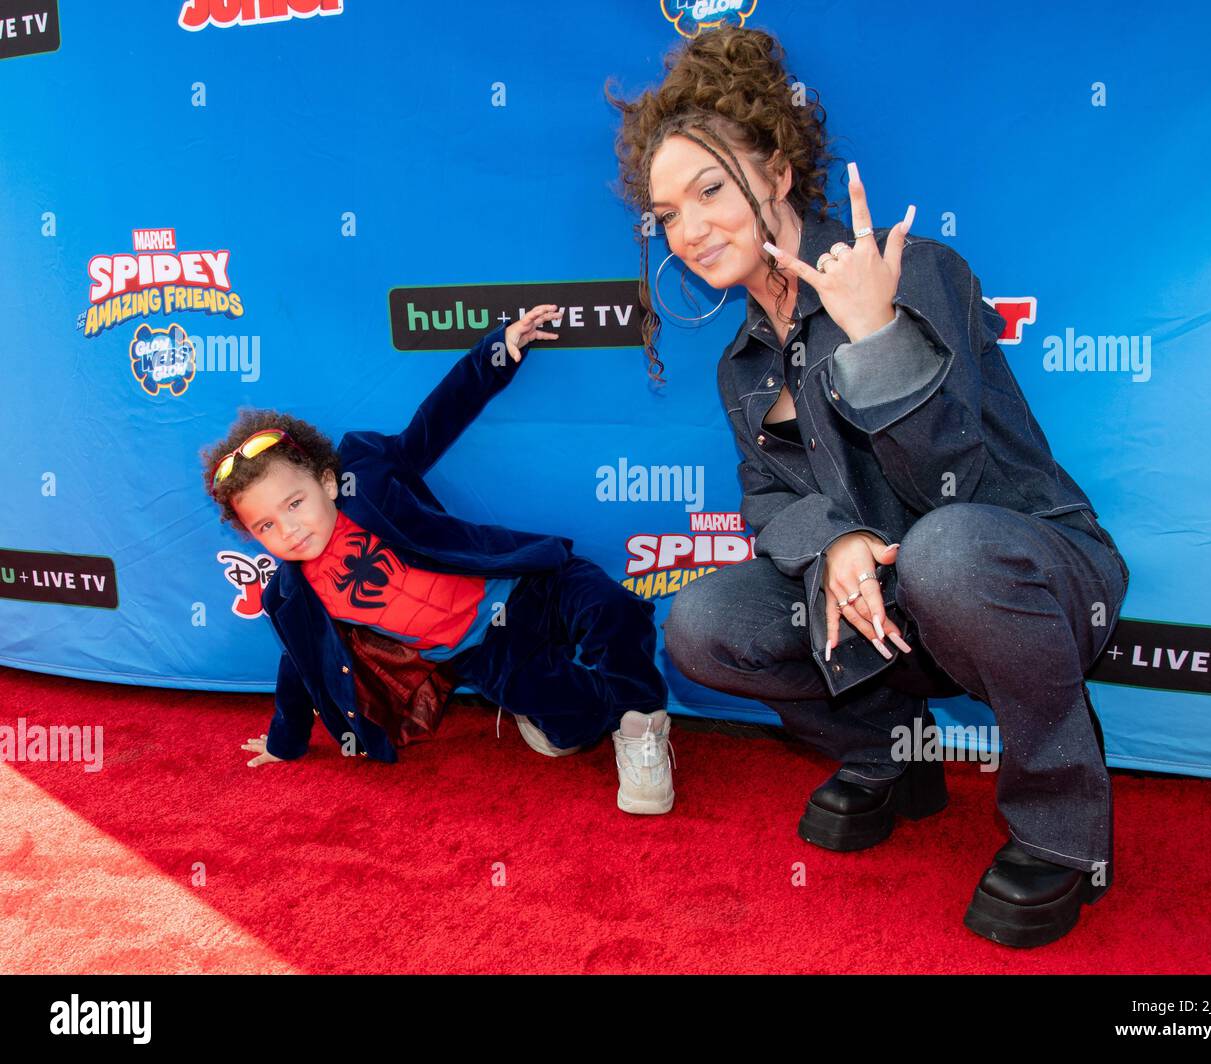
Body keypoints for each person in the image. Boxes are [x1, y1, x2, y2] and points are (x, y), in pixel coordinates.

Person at [606, 26, 1130, 943]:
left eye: (711, 190)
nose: (688, 231)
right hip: (897, 597)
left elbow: (960, 483)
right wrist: (835, 543)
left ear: (773, 171)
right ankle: (892, 755)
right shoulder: (740, 364)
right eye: (666, 213)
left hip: (1027, 570)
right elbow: (766, 502)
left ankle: (1061, 830)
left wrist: (877, 338)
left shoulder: (908, 269)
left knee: (950, 550)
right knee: (703, 625)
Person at [200, 305, 675, 815]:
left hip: (523, 582)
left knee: (613, 608)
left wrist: (497, 353)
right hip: (483, 651)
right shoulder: (294, 595)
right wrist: (284, 739)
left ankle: (642, 723)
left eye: (294, 504)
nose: (288, 529)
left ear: (327, 482)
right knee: (573, 723)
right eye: (265, 526)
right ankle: (560, 709)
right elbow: (299, 665)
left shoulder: (372, 481)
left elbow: (435, 422)